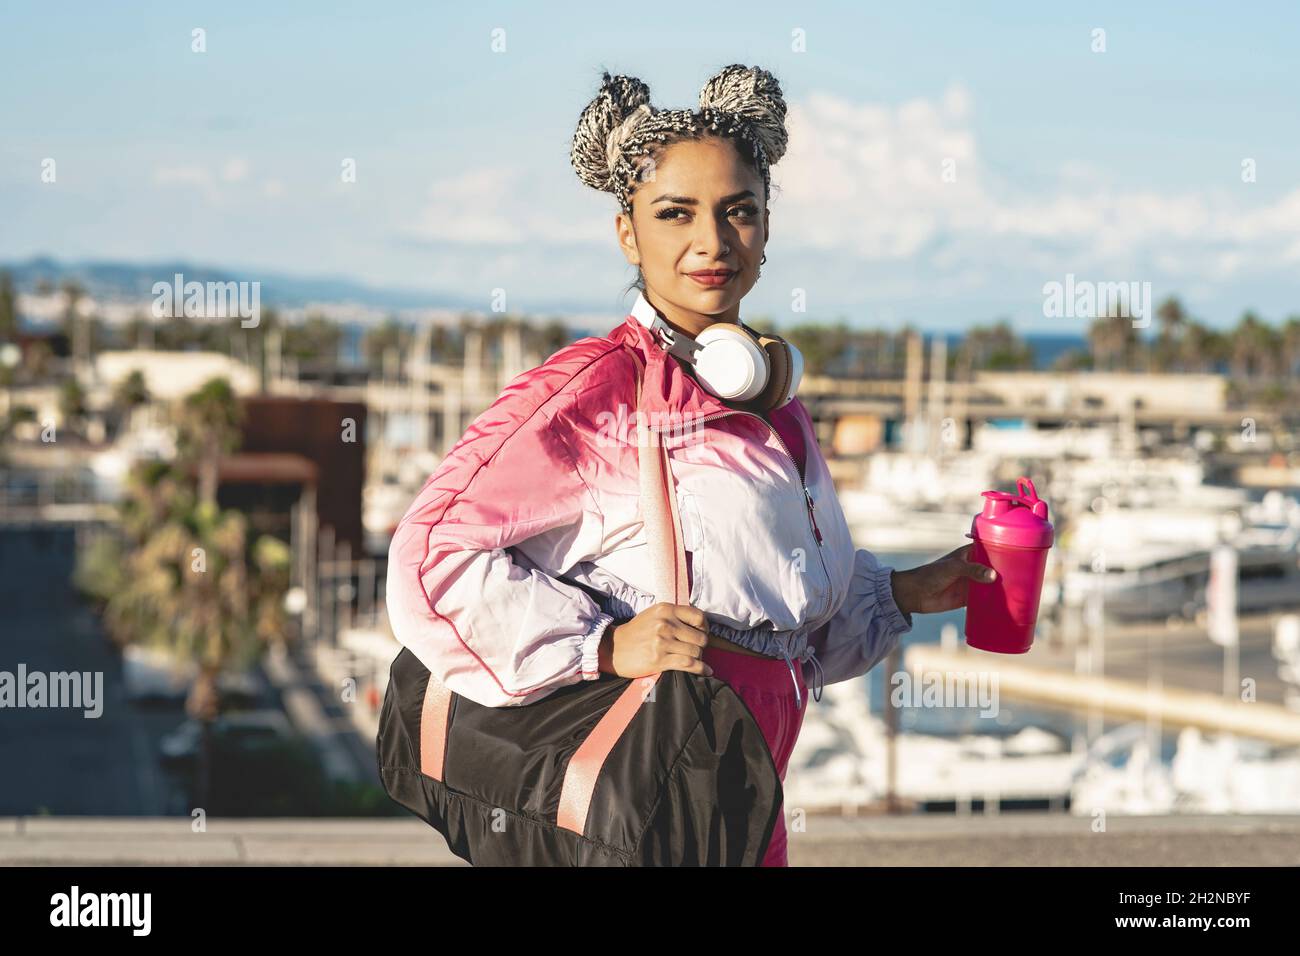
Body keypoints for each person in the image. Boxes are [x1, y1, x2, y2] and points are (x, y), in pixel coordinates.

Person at [386, 63, 996, 866]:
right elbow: (429, 556)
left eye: (738, 212)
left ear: (768, 229)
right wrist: (600, 645)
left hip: (738, 793)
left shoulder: (772, 402)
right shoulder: (597, 388)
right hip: (650, 791)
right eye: (676, 214)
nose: (713, 242)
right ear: (629, 234)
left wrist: (910, 592)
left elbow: (779, 624)